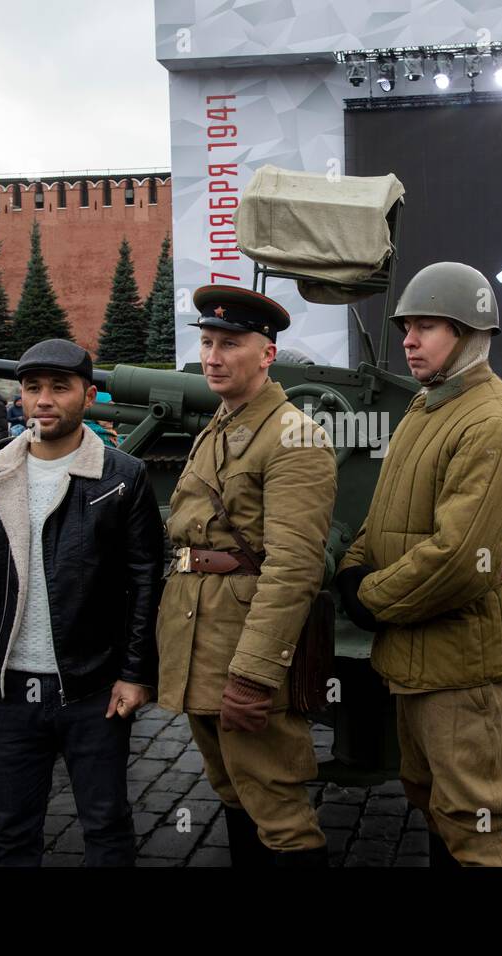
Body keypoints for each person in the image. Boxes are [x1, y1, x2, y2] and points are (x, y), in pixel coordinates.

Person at [336, 262, 502, 867]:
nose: (408, 340)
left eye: (425, 327)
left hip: (467, 667)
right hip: (423, 663)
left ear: (469, 334)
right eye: (406, 327)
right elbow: (380, 518)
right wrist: (353, 569)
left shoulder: (495, 424)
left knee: (475, 830)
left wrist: (368, 599)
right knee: (434, 806)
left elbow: (460, 557)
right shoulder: (428, 411)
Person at [0, 339, 164, 866]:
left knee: (107, 827)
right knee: (12, 834)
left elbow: (145, 584)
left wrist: (135, 673)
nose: (44, 399)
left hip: (93, 688)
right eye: (33, 387)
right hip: (7, 692)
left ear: (88, 396)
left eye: (59, 387)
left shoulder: (123, 477)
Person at [156, 285, 336, 867]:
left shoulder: (292, 435)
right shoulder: (223, 421)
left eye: (229, 343)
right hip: (201, 635)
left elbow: (293, 568)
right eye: (207, 341)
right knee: (233, 788)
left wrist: (255, 676)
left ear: (267, 354)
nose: (212, 355)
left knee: (276, 806)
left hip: (243, 645)